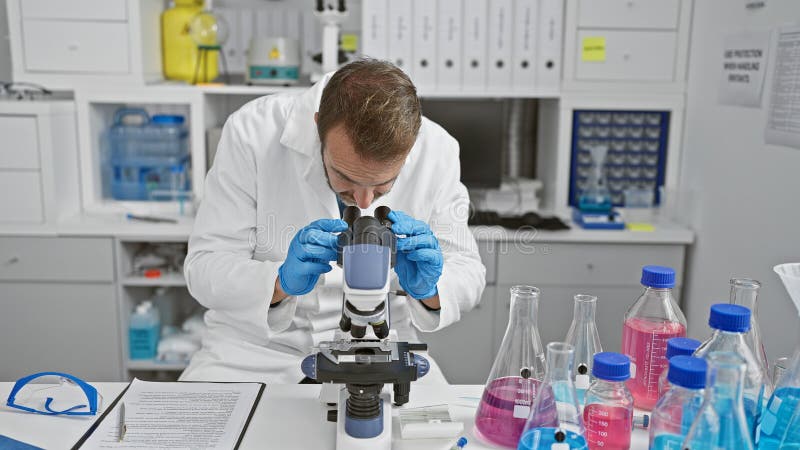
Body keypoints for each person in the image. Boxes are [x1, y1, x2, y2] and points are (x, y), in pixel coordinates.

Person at [180, 59, 486, 384]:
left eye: (383, 186)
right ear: (317, 127)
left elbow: (468, 270)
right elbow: (203, 267)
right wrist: (279, 281)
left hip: (384, 347)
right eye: (345, 176)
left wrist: (430, 288)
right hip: (255, 352)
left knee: (442, 433)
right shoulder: (252, 133)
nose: (364, 202)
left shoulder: (436, 151)